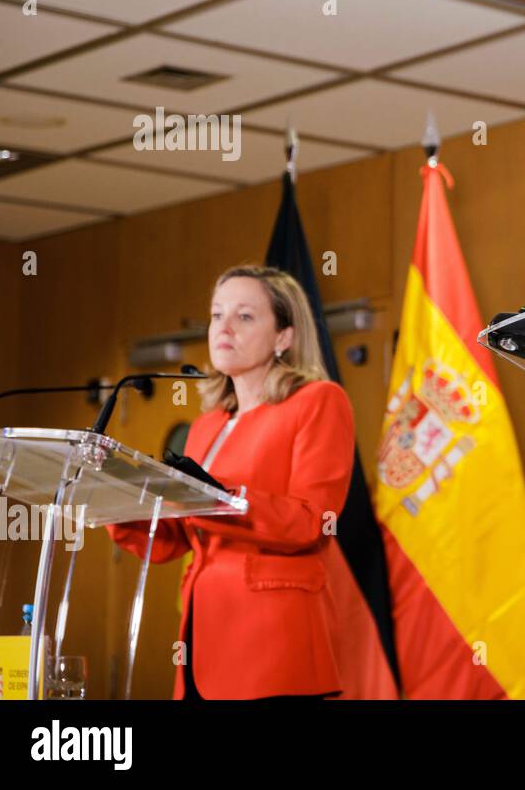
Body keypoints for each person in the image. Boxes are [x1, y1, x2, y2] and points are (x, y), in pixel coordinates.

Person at [109, 265, 355, 700]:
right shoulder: (206, 425)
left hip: (273, 647)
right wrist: (114, 501)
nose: (224, 328)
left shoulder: (319, 401)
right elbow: (176, 539)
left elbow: (312, 520)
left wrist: (218, 496)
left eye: (244, 316)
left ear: (284, 336)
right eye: (216, 315)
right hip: (201, 642)